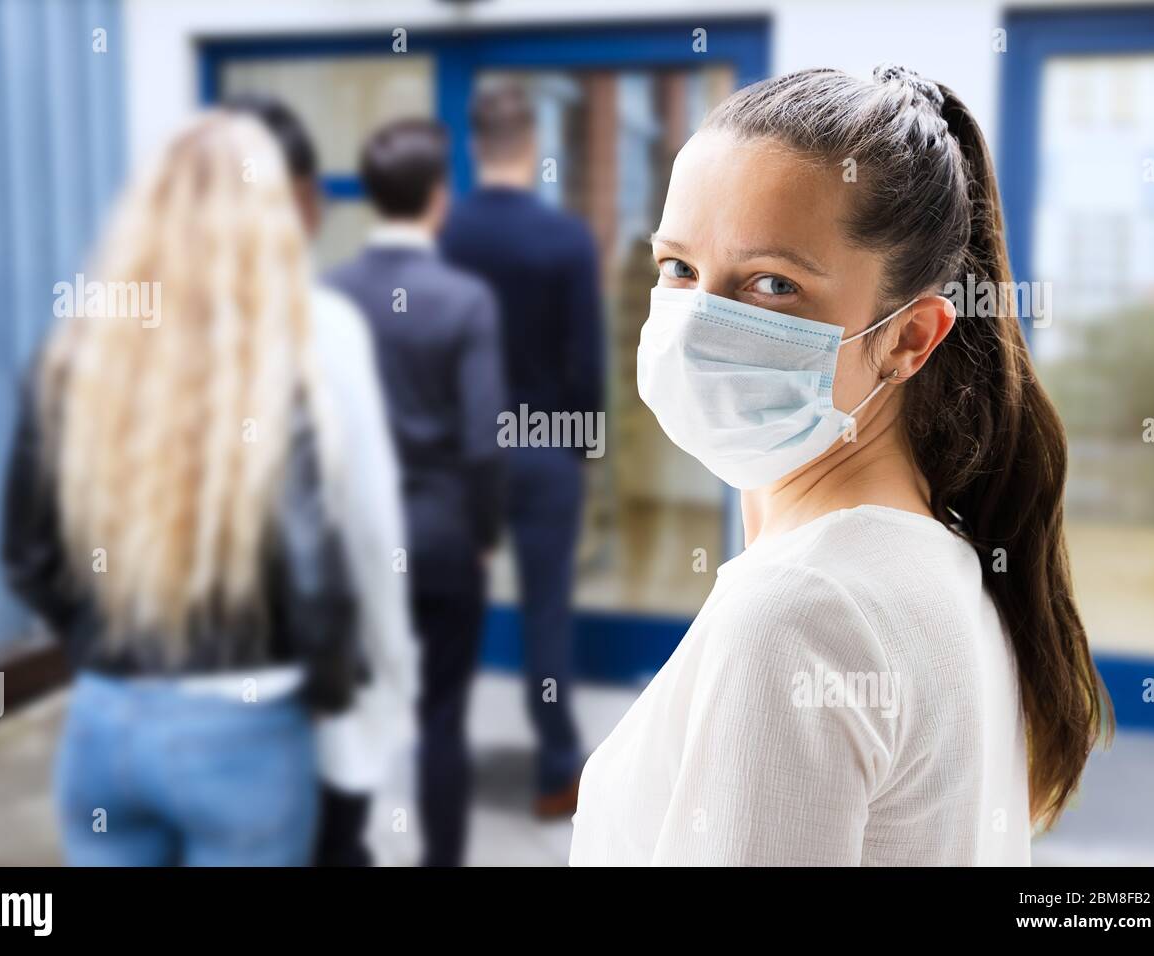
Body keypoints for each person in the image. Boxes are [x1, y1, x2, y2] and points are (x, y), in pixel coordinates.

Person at [569, 66, 1110, 866]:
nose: (694, 327)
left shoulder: (797, 614)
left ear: (909, 338)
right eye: (678, 269)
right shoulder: (944, 559)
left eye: (773, 284)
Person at [1, 113, 391, 866]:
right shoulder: (275, 373)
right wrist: (329, 694)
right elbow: (320, 583)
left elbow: (26, 554)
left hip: (105, 724)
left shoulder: (72, 363)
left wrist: (98, 646)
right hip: (244, 730)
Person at [222, 94, 417, 867]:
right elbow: (369, 529)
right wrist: (393, 679)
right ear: (299, 200)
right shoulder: (320, 329)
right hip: (300, 705)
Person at [327, 119, 506, 867]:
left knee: (345, 716)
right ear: (439, 199)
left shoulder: (328, 295)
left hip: (348, 546)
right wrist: (484, 534)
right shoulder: (463, 300)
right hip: (438, 540)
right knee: (442, 718)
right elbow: (483, 438)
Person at [441, 80, 603, 817]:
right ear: (531, 146)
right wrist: (581, 451)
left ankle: (436, 767)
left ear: (476, 147)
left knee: (445, 613)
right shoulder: (565, 239)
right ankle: (554, 773)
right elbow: (587, 361)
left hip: (461, 453)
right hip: (544, 448)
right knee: (546, 614)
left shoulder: (447, 235)